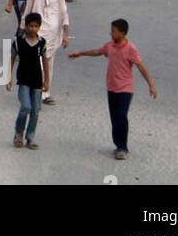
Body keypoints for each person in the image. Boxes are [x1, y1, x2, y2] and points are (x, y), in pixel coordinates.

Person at [68, 19, 158, 160]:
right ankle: (118, 145)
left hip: (126, 89)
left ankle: (123, 147)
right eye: (111, 30)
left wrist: (151, 85)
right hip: (112, 88)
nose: (111, 33)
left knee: (121, 115)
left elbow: (141, 67)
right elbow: (98, 51)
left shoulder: (131, 49)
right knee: (115, 118)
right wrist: (80, 53)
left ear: (122, 33)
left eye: (114, 31)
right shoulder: (110, 46)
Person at [22, 0, 69, 105]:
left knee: (49, 64)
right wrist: (21, 35)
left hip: (53, 36)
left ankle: (45, 93)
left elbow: (64, 14)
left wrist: (66, 34)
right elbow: (26, 15)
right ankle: (36, 93)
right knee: (38, 66)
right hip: (37, 35)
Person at [7, 12, 48, 150]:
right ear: (26, 26)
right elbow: (11, 59)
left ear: (39, 27)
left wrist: (46, 80)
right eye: (30, 26)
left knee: (36, 110)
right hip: (23, 79)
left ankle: (30, 138)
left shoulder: (42, 43)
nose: (33, 29)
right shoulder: (18, 42)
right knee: (26, 107)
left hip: (37, 80)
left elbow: (46, 61)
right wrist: (9, 78)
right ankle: (19, 133)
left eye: (36, 26)